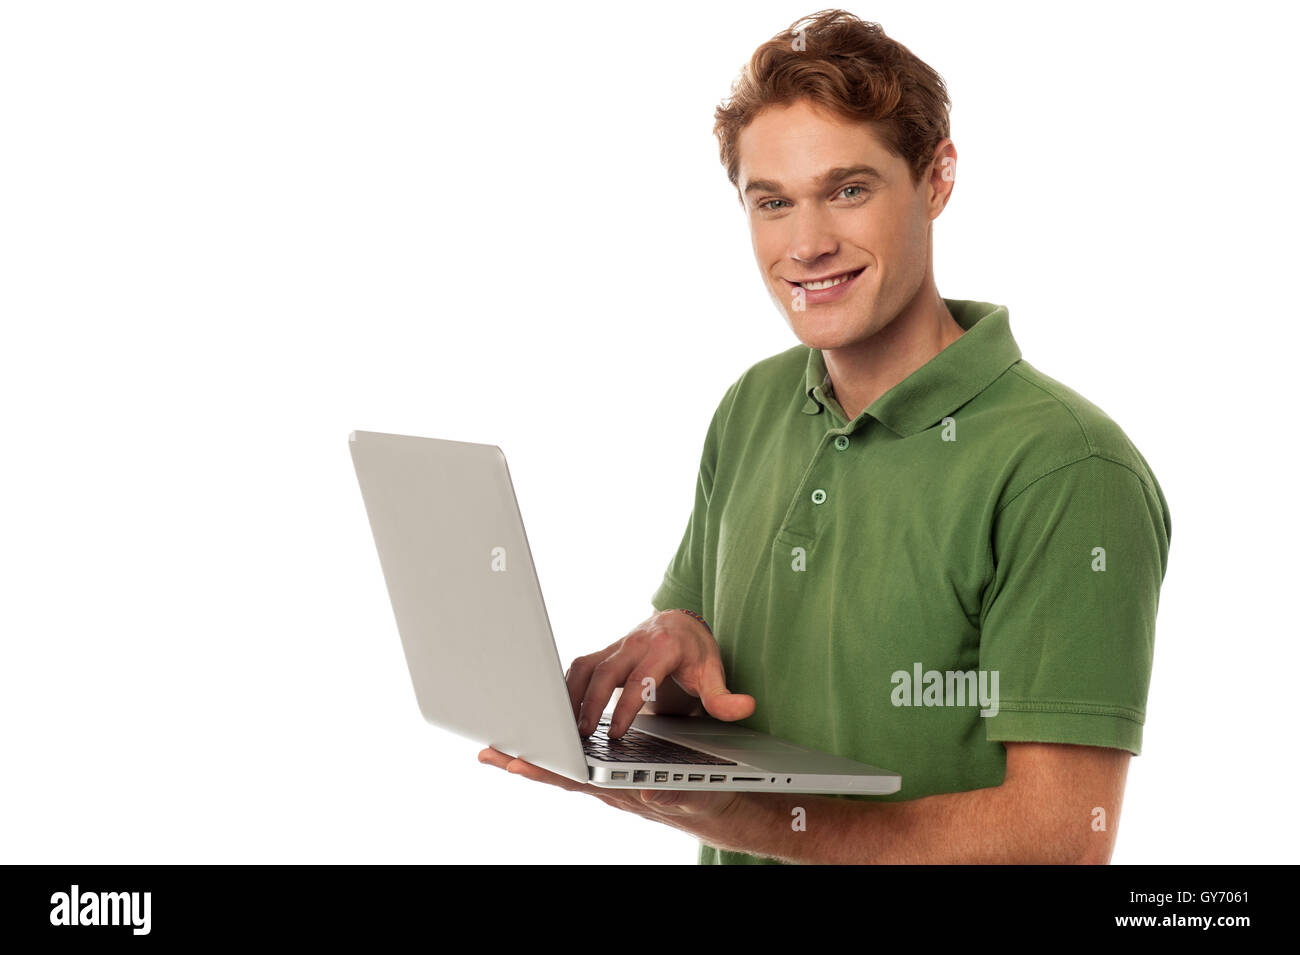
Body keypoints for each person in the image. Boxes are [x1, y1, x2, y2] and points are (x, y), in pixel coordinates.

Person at [479, 8, 1172, 865]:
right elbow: (710, 632)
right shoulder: (754, 405)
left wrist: (735, 816)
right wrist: (677, 635)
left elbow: (1057, 843)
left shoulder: (1067, 467)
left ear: (938, 177)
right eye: (772, 202)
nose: (806, 245)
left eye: (848, 189)